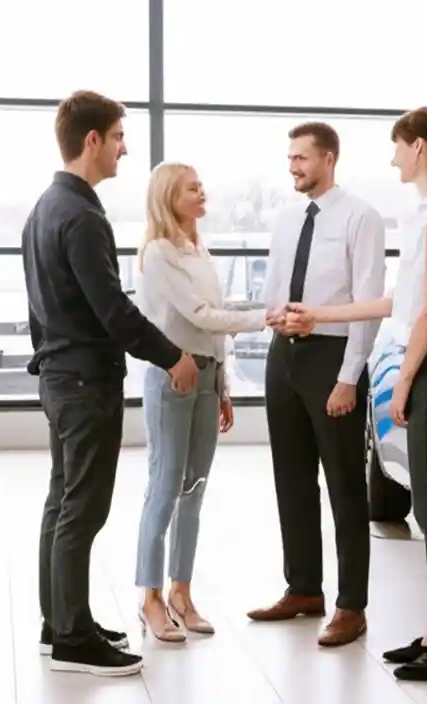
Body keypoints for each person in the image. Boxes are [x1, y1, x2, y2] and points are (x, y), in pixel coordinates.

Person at [280, 106, 427, 680]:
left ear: (418, 148)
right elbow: (399, 302)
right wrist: (320, 312)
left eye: (397, 146)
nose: (392, 157)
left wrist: (406, 379)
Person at [23, 90, 201, 677]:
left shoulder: (44, 208)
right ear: (92, 140)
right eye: (119, 136)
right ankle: (73, 640)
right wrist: (172, 355)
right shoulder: (81, 215)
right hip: (83, 382)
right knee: (84, 508)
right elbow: (113, 312)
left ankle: (61, 624)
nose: (125, 148)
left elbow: (41, 306)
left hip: (57, 377)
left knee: (62, 503)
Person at [247, 122, 386, 648]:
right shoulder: (288, 218)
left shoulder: (361, 218)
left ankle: (352, 605)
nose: (293, 166)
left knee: (346, 484)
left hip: (332, 356)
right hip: (284, 355)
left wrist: (349, 377)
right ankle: (303, 588)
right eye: (289, 158)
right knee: (292, 477)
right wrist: (272, 327)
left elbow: (368, 303)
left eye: (301, 158)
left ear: (328, 158)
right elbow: (277, 282)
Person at [134, 162, 268, 643]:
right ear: (170, 196)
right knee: (165, 486)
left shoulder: (197, 251)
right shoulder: (159, 253)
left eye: (201, 185)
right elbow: (200, 315)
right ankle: (149, 598)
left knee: (196, 488)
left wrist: (224, 388)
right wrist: (266, 319)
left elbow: (213, 329)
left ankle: (181, 594)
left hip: (207, 378)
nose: (202, 192)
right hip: (173, 379)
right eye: (193, 188)